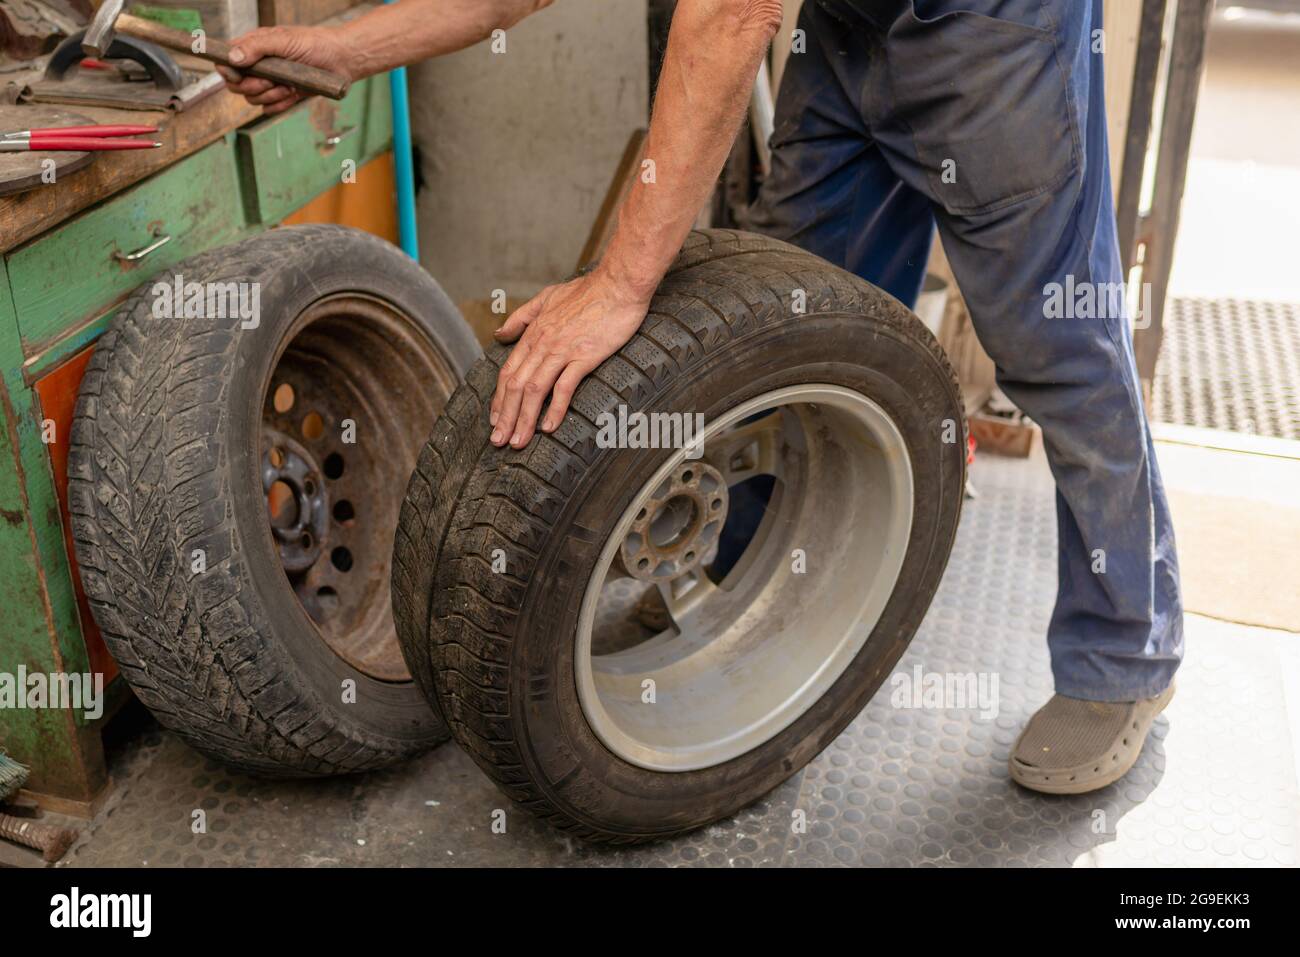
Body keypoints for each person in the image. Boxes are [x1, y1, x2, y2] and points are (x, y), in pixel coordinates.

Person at [221, 0, 1182, 795]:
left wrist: (621, 283)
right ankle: (754, 572)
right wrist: (349, 48)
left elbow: (728, 15)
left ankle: (1123, 654)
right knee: (789, 309)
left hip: (989, 30)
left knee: (1056, 347)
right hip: (847, 26)